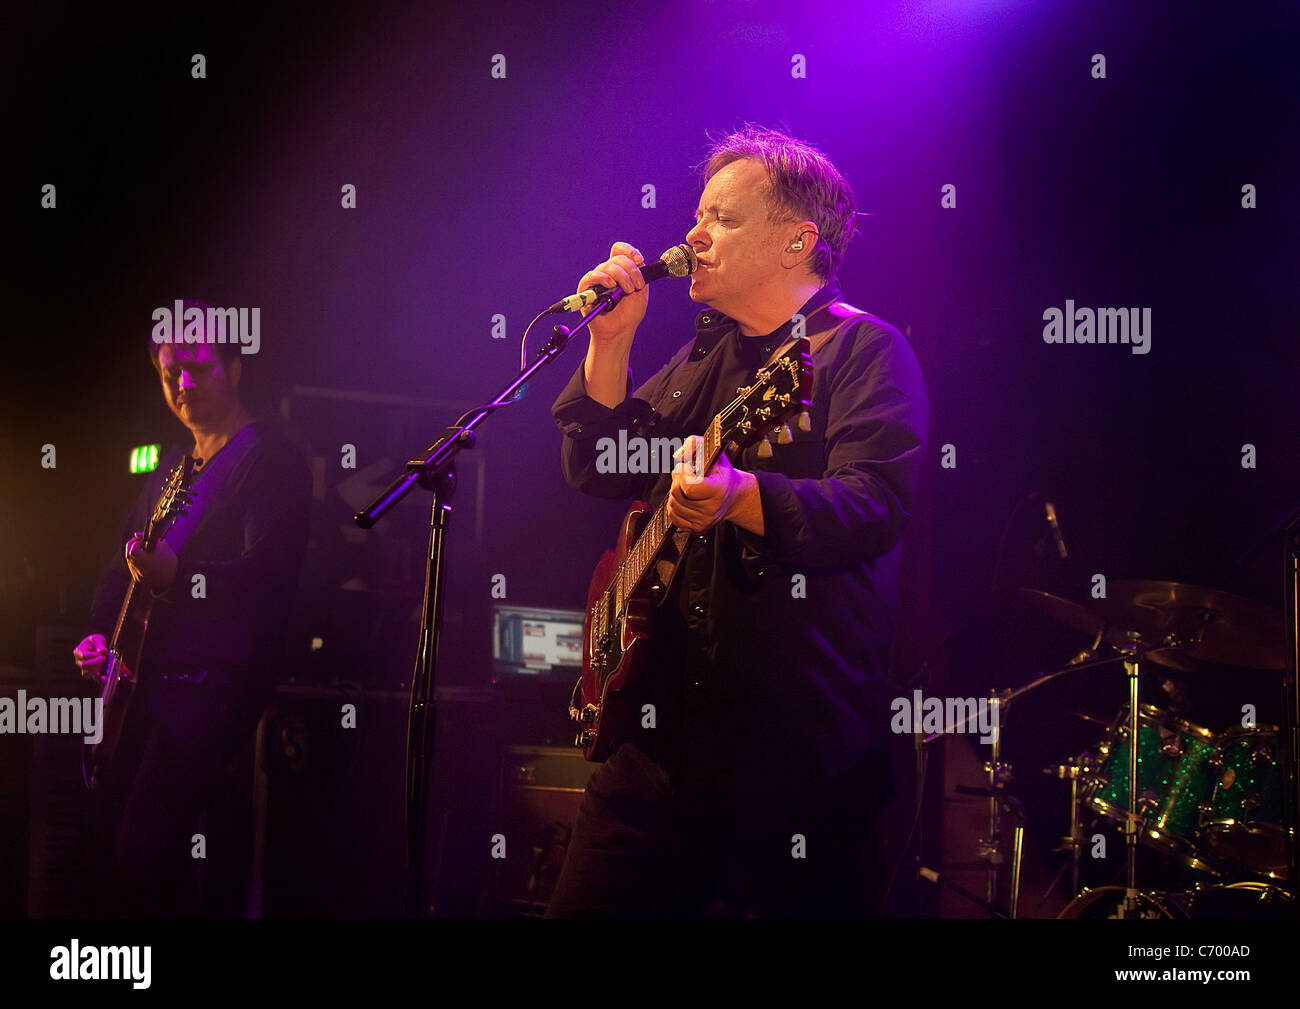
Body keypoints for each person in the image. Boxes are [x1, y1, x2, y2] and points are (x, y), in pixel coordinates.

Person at [547, 126, 929, 917]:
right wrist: (610, 347)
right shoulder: (700, 359)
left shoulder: (865, 351)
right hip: (648, 752)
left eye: (721, 217)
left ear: (798, 240)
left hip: (783, 765)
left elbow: (876, 505)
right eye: (697, 215)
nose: (693, 234)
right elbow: (597, 468)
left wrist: (741, 497)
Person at [73, 305, 311, 916]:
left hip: (216, 683)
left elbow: (270, 577)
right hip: (148, 683)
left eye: (196, 366)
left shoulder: (268, 460)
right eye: (168, 372)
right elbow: (117, 573)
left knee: (144, 847)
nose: (182, 383)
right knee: (121, 852)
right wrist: (99, 637)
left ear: (233, 367)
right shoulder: (169, 473)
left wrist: (179, 575)